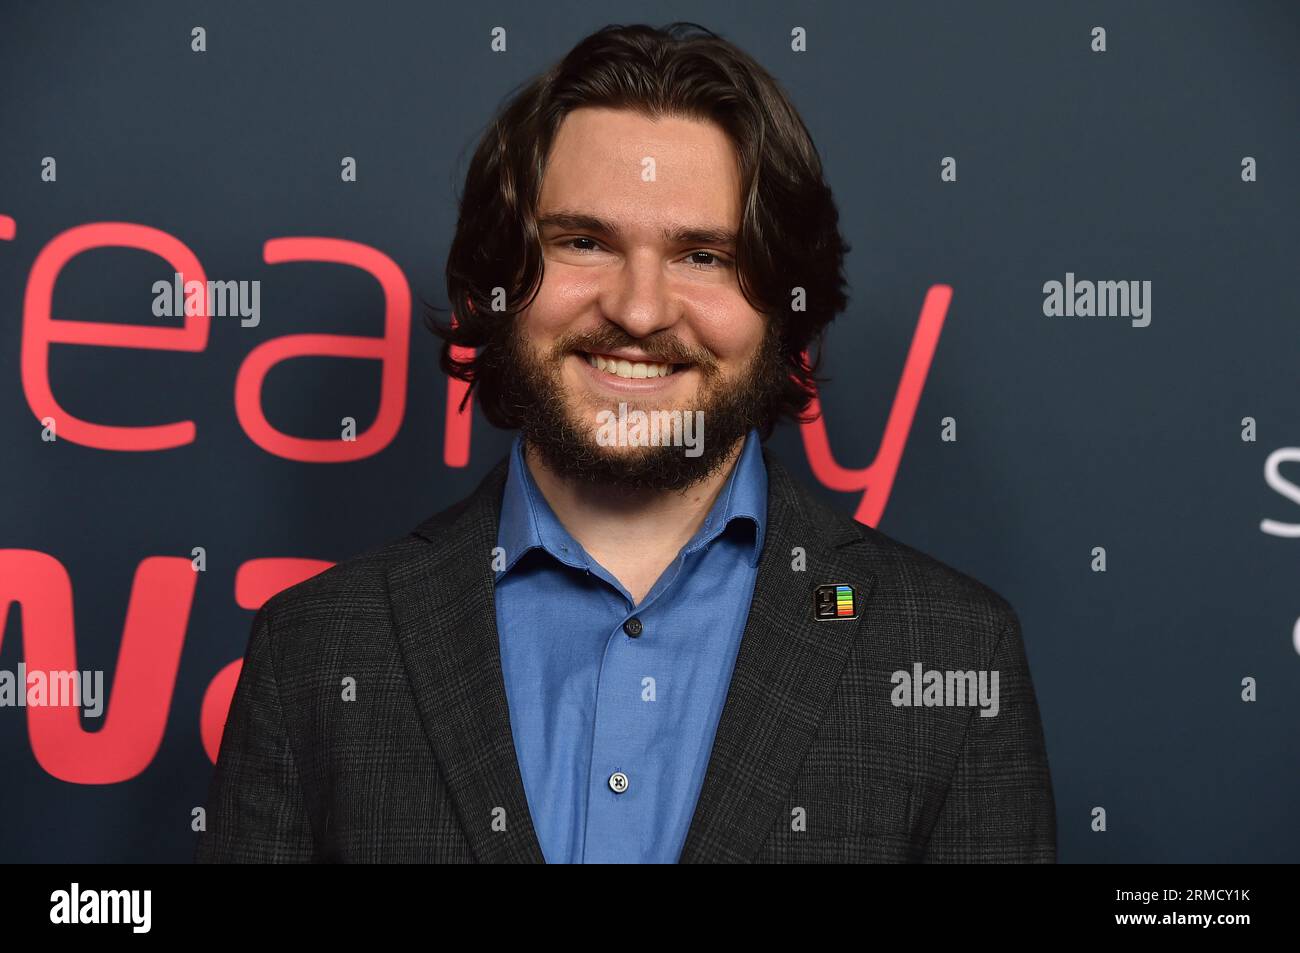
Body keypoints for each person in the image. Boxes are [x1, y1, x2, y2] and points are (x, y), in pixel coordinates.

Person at [195, 21, 1055, 864]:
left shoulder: (947, 653)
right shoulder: (318, 649)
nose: (639, 311)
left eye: (705, 256)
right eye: (583, 242)